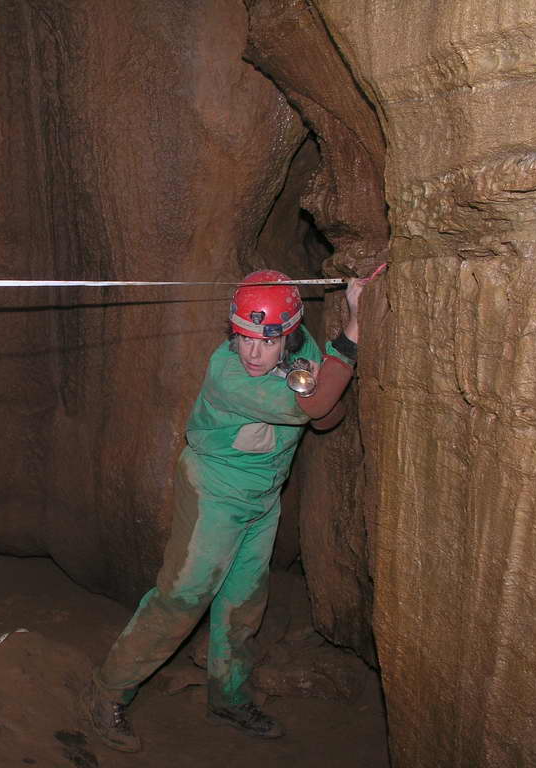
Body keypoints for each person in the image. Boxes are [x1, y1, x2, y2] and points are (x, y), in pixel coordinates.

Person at [84, 269, 364, 752]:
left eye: (267, 341)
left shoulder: (302, 352)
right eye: (244, 337)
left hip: (262, 500)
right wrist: (354, 330)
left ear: (290, 335)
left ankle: (229, 698)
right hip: (214, 494)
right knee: (182, 598)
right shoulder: (228, 374)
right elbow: (319, 405)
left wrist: (321, 387)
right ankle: (106, 694)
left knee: (242, 605)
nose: (253, 353)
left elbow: (327, 416)